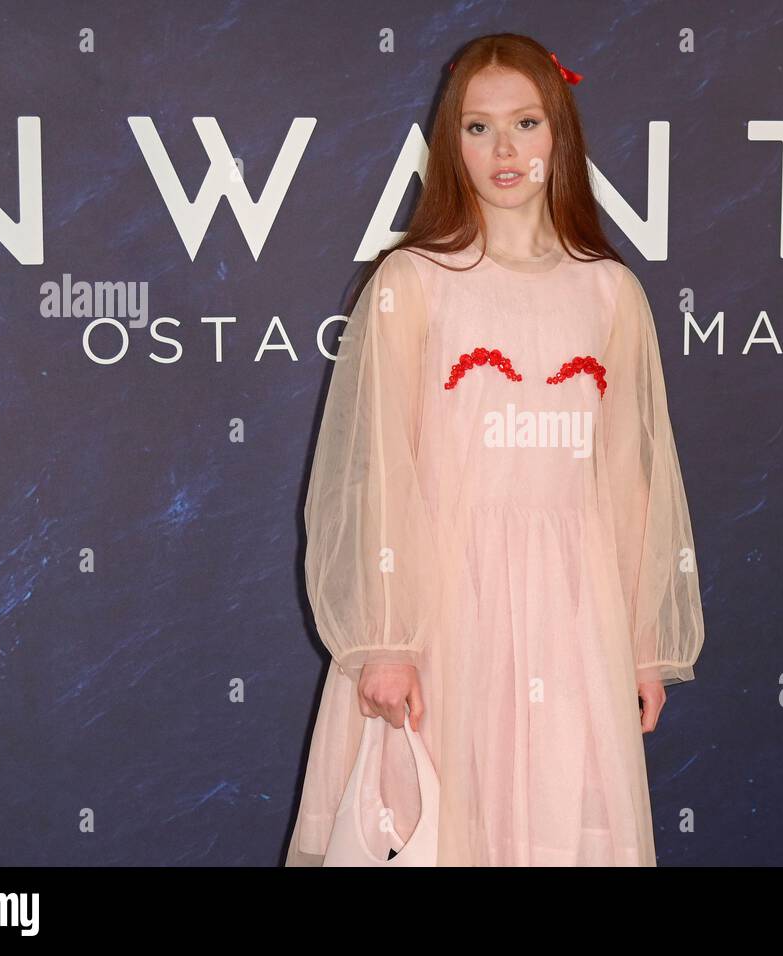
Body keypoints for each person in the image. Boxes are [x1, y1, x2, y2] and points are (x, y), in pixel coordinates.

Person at [284, 33, 704, 867]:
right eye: (479, 128)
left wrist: (644, 646)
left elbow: (630, 479)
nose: (504, 150)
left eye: (525, 123)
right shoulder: (412, 282)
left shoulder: (610, 291)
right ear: (451, 142)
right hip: (443, 611)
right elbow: (375, 470)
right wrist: (387, 637)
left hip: (574, 616)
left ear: (561, 135)